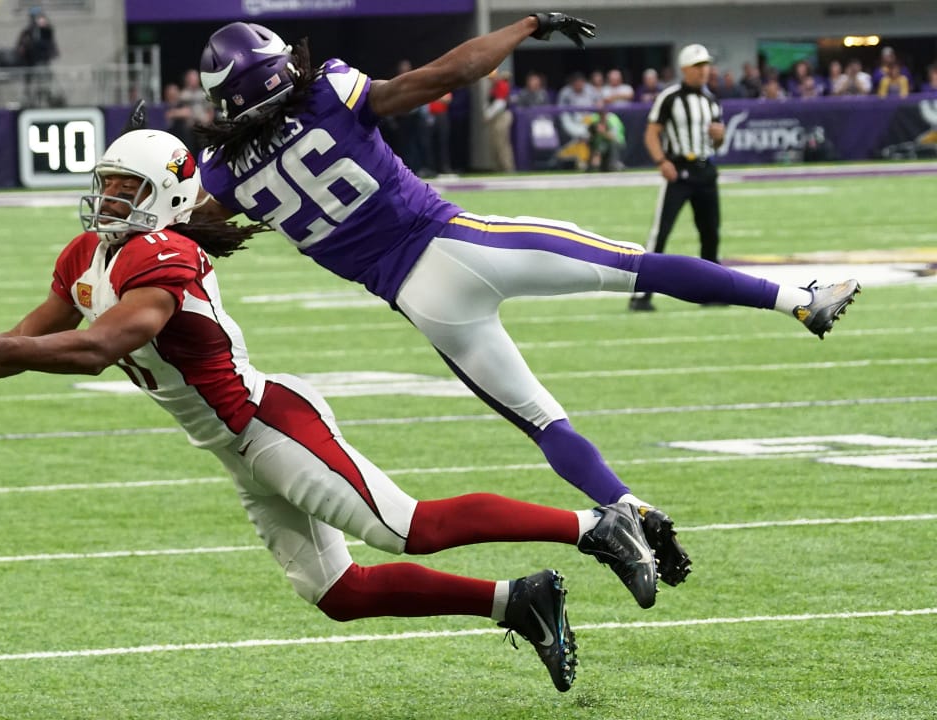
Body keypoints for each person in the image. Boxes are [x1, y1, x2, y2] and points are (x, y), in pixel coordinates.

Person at [0, 129, 664, 693]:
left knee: (407, 527)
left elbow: (95, 348)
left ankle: (595, 528)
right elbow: (21, 344)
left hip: (269, 422)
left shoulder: (165, 253)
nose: (111, 201)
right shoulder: (85, 255)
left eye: (129, 190)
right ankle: (517, 601)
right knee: (337, 592)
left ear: (166, 196)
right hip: (233, 447)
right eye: (107, 187)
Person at [188, 15, 863, 587]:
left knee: (543, 422)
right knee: (639, 266)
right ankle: (797, 301)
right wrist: (529, 22)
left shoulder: (222, 176)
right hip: (461, 243)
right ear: (279, 69)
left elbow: (188, 226)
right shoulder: (328, 93)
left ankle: (630, 507)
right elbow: (446, 76)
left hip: (422, 301)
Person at [629, 43, 727, 311]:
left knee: (711, 233)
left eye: (706, 65)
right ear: (684, 69)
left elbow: (716, 142)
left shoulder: (711, 100)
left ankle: (712, 291)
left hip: (706, 170)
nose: (703, 70)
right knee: (661, 233)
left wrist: (720, 139)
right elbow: (651, 133)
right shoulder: (670, 97)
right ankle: (641, 295)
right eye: (698, 66)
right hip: (679, 171)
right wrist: (662, 161)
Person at [15, 6, 59, 107]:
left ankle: (45, 99)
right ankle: (30, 101)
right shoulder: (27, 32)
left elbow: (49, 42)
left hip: (42, 61)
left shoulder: (45, 31)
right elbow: (20, 46)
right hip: (30, 63)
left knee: (44, 83)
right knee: (30, 86)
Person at [484, 69, 514, 172]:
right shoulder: (494, 87)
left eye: (492, 78)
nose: (491, 80)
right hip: (495, 117)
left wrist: (488, 115)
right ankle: (498, 168)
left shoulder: (502, 85)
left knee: (502, 143)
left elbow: (500, 103)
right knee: (495, 144)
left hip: (502, 116)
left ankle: (507, 168)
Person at [585, 98, 625, 172]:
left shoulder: (613, 119)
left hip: (615, 142)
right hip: (599, 143)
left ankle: (614, 164)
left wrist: (603, 132)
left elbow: (615, 137)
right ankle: (593, 163)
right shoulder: (594, 118)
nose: (601, 113)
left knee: (612, 143)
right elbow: (589, 133)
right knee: (593, 142)